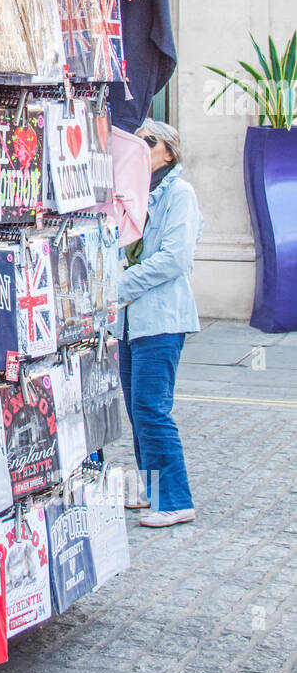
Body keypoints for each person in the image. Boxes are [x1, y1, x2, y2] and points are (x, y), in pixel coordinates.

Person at [117, 121, 203, 528]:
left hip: (162, 319)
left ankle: (175, 499)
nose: (140, 147)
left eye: (148, 142)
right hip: (131, 321)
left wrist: (120, 284)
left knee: (152, 409)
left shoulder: (179, 195)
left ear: (169, 152)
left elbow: (174, 258)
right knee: (138, 411)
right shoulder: (135, 194)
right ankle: (152, 491)